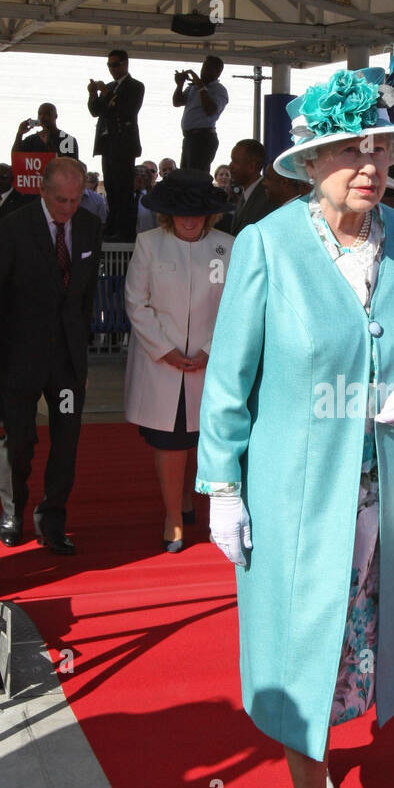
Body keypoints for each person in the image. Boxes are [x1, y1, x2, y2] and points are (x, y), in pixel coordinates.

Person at [196, 67, 394, 788]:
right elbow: (230, 381)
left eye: (378, 147)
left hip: (384, 493)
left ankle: (324, 758)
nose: (368, 163)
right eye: (348, 149)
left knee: (356, 642)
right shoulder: (267, 245)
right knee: (308, 642)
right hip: (297, 495)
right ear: (309, 161)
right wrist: (220, 486)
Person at [0, 156, 103, 554]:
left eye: (77, 200)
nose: (69, 208)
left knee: (66, 440)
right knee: (20, 440)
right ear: (43, 191)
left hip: (66, 361)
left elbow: (85, 295)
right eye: (61, 200)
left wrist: (82, 354)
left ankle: (53, 519)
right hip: (19, 357)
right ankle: (14, 511)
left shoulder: (90, 228)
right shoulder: (12, 229)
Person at [124, 171, 230, 553]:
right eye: (182, 214)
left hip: (208, 365)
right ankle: (172, 516)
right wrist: (163, 348)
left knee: (194, 438)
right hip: (161, 366)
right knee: (170, 441)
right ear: (167, 214)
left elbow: (234, 307)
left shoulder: (228, 247)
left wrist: (209, 347)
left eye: (198, 214)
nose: (190, 221)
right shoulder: (149, 244)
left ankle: (185, 502)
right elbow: (137, 302)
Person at [88, 48, 145, 239]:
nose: (112, 69)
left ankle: (125, 229)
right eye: (109, 65)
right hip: (107, 144)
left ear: (125, 64)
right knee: (111, 188)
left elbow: (128, 110)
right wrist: (93, 94)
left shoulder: (135, 86)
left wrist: (107, 91)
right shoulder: (111, 86)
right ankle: (113, 226)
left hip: (123, 144)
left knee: (123, 188)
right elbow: (95, 111)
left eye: (115, 64)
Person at [173, 56, 228, 172]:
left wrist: (201, 87)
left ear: (218, 72)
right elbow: (177, 102)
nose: (203, 71)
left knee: (196, 175)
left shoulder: (219, 90)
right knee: (185, 174)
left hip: (203, 138)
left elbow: (210, 110)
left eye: (208, 68)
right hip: (189, 138)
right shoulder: (194, 87)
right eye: (203, 67)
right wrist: (179, 84)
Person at [14, 103, 79, 160]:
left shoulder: (68, 140)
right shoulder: (31, 140)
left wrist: (48, 143)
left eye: (47, 114)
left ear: (55, 116)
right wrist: (19, 134)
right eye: (40, 114)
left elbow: (71, 166)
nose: (42, 117)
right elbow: (16, 158)